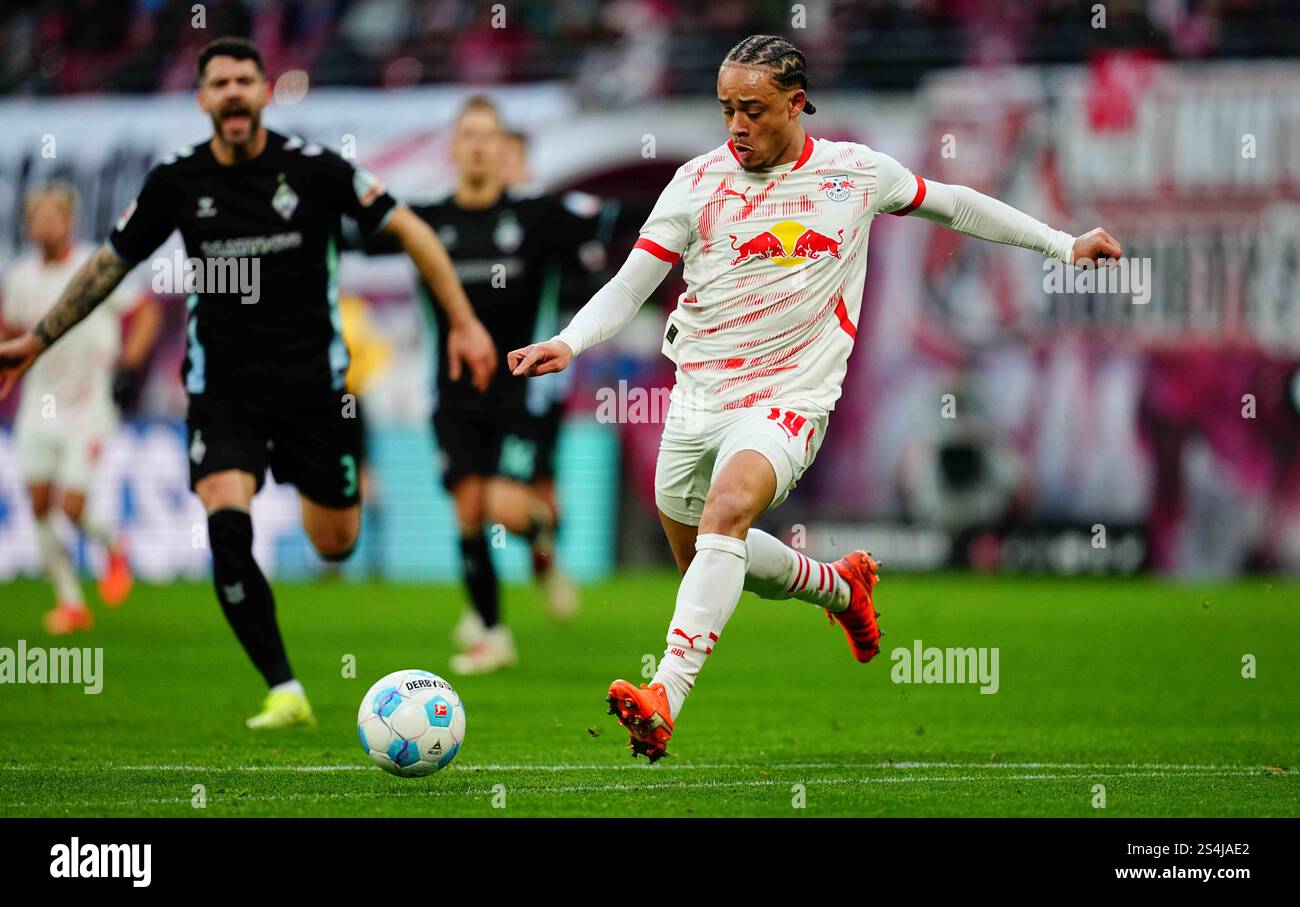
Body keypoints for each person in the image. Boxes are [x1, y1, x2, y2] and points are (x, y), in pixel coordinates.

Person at [509, 34, 1123, 761]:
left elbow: (954, 205)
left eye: (754, 109)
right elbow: (632, 284)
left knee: (728, 509)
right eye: (726, 109)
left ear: (797, 104)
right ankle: (838, 587)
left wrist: (1063, 243)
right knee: (713, 551)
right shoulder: (697, 182)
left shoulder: (854, 174)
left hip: (791, 397)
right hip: (698, 395)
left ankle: (663, 696)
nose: (737, 125)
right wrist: (571, 342)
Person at [0, 37, 496, 729]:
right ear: (203, 99)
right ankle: (283, 686)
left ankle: (303, 606)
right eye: (219, 82)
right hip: (221, 391)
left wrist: (465, 321)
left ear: (265, 91)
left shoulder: (316, 169)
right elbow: (110, 265)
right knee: (226, 524)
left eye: (244, 80)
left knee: (334, 542)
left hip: (314, 391)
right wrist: (37, 338)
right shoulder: (177, 181)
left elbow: (410, 228)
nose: (232, 92)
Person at [364, 97, 611, 674]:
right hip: (451, 392)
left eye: (488, 136)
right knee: (468, 512)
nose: (477, 145)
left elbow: (615, 223)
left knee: (503, 507)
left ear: (505, 150)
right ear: (452, 148)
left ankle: (543, 537)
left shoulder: (538, 216)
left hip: (522, 390)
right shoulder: (424, 219)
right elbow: (358, 229)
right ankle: (493, 636)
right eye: (467, 135)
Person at [0, 181, 160, 634]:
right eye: (37, 217)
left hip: (90, 405)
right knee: (37, 504)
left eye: (53, 216)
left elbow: (145, 311)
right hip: (38, 405)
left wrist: (129, 364)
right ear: (28, 224)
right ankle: (71, 602)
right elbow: (11, 331)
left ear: (69, 220)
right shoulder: (20, 276)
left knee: (71, 505)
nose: (44, 225)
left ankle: (113, 544)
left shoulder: (94, 268)